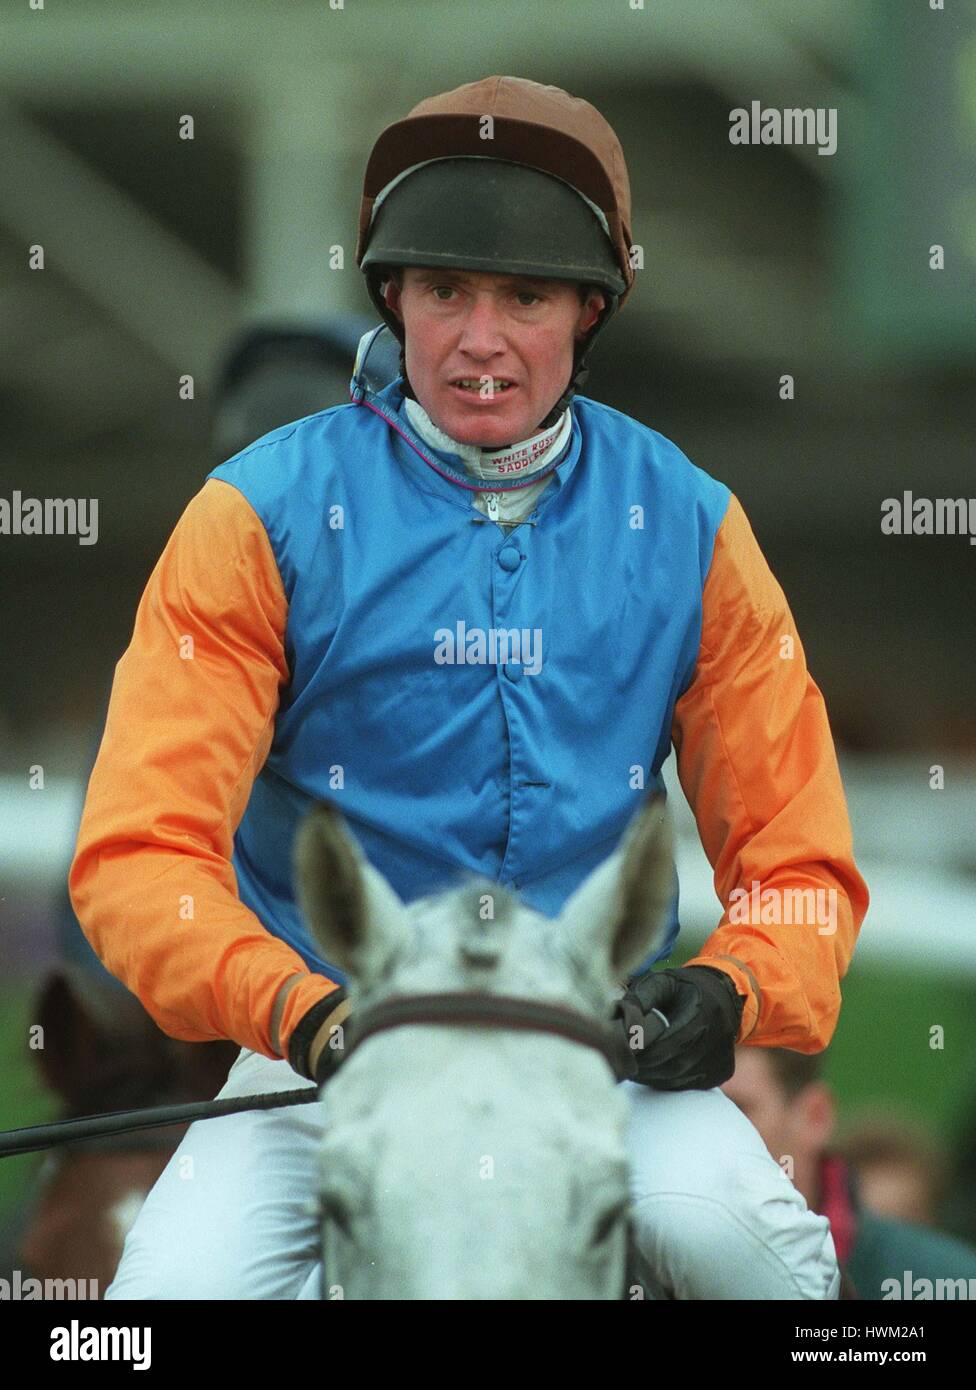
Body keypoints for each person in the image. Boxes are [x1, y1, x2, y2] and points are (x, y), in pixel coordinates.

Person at [69, 75, 869, 1299]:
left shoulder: (695, 526)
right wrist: (303, 1011)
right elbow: (141, 855)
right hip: (325, 1059)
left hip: (592, 1054)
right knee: (159, 1305)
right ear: (393, 299)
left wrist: (729, 988)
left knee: (747, 1257)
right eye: (444, 290)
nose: (478, 339)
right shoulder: (250, 518)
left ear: (589, 311)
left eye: (525, 298)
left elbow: (798, 866)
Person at [722, 1046, 976, 1298]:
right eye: (699, 1114)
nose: (709, 1138)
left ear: (815, 1116)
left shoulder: (948, 1284)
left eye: (736, 1110)